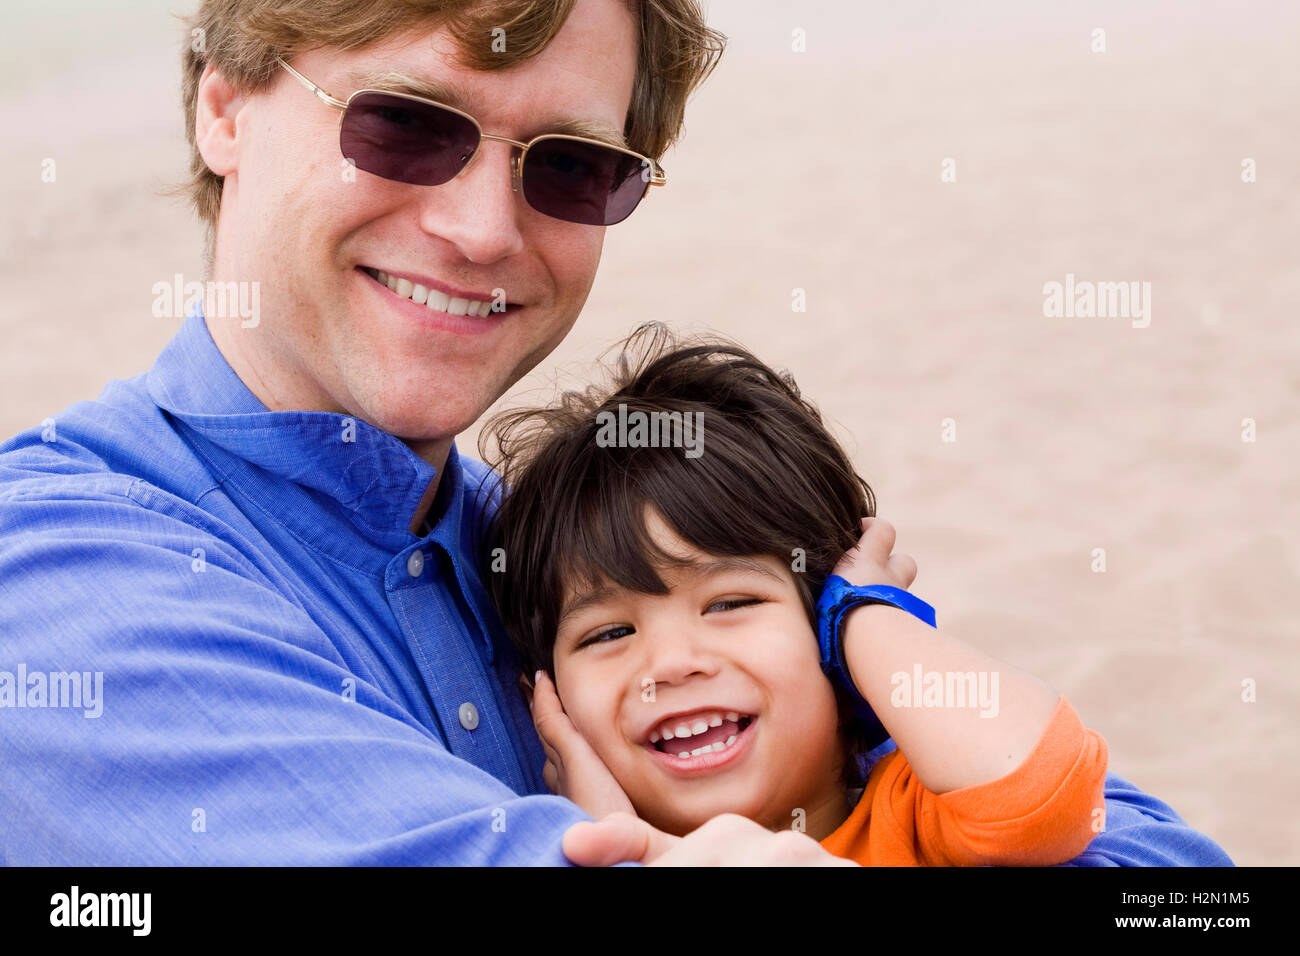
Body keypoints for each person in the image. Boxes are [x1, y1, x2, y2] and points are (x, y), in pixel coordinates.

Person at [0, 0, 1230, 867]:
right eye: (408, 125)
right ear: (224, 107)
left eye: (571, 165)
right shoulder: (55, 575)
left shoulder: (562, 547)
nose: (483, 228)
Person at [477, 323, 1235, 865]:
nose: (672, 663)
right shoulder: (571, 846)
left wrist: (866, 617)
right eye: (607, 635)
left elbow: (1042, 792)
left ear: (826, 637)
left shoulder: (916, 813)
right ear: (549, 704)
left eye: (731, 603)